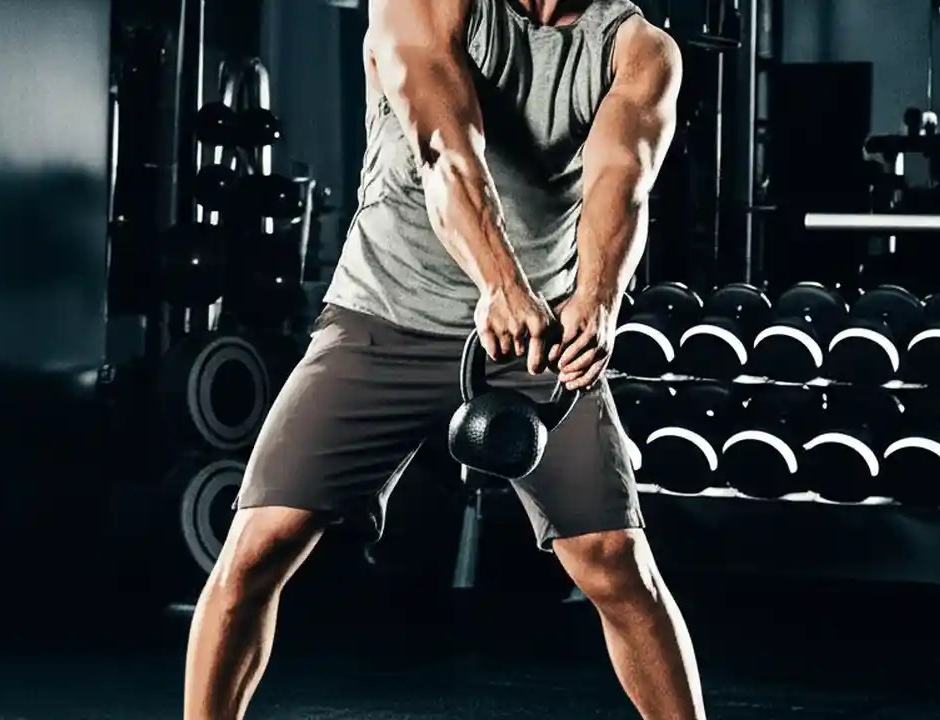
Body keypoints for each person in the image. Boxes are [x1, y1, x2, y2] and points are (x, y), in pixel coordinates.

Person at [183, 0, 703, 717]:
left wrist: (598, 297)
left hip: (537, 337)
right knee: (258, 547)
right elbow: (445, 150)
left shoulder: (641, 50)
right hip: (384, 315)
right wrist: (499, 282)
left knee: (616, 561)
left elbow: (624, 177)